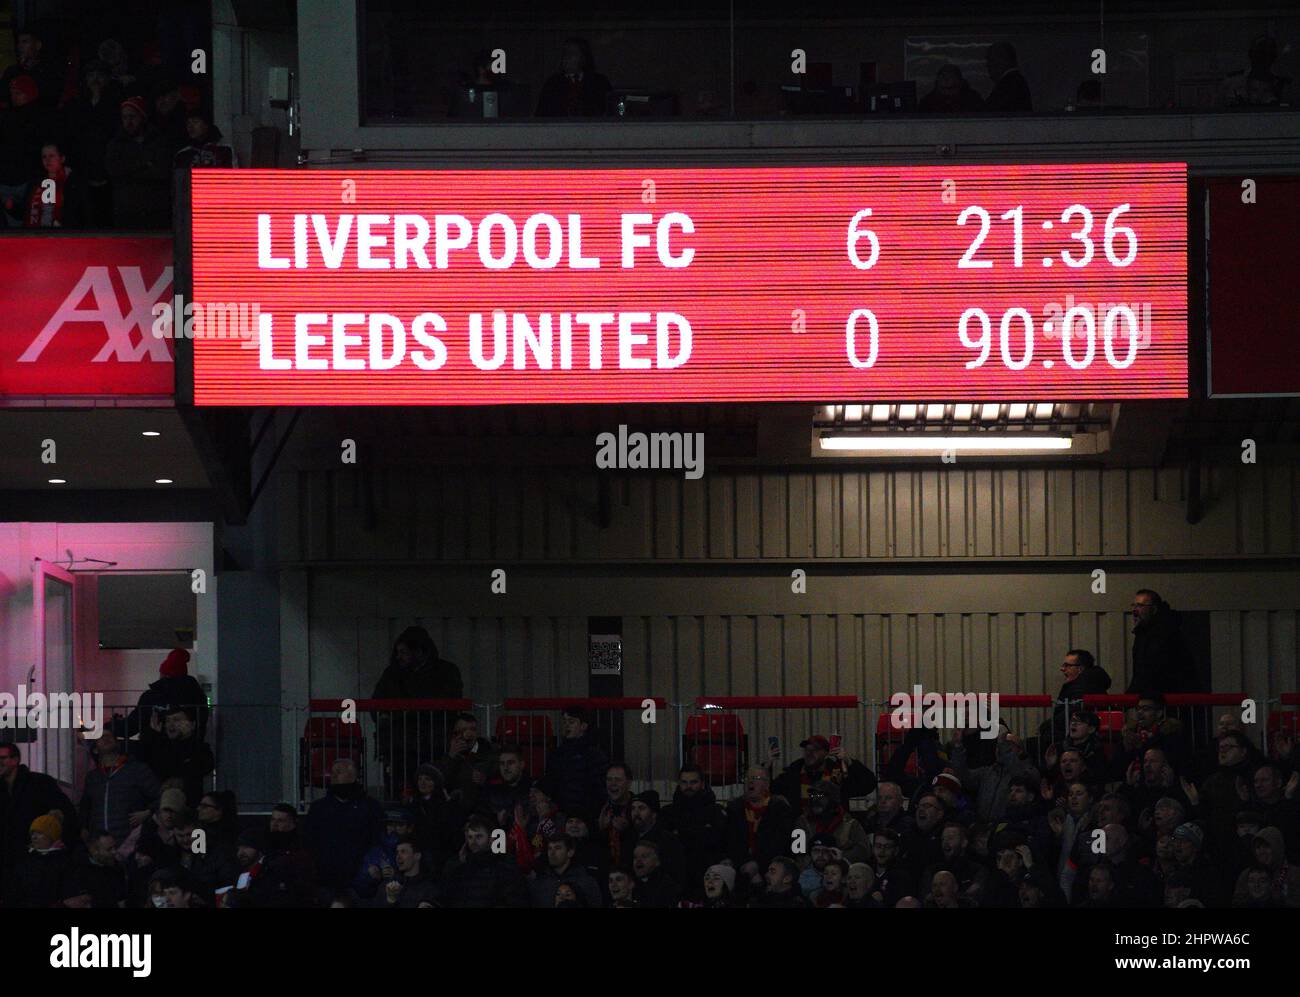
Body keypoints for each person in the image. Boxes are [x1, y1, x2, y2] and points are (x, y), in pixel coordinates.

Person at [371, 626, 464, 799]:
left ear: (420, 651)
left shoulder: (446, 672)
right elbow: (375, 704)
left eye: (404, 652)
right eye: (398, 652)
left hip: (434, 746)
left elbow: (450, 703)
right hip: (399, 748)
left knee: (436, 793)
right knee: (397, 794)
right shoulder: (391, 674)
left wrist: (400, 713)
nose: (399, 657)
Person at [0, 742, 78, 896]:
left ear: (16, 760)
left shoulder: (39, 783)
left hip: (36, 861)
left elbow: (64, 812)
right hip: (8, 861)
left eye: (2, 758)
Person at [303, 757, 384, 894]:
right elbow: (310, 840)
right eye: (332, 772)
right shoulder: (319, 808)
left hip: (360, 878)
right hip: (326, 878)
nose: (333, 775)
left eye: (339, 771)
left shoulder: (371, 807)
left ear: (353, 775)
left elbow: (377, 839)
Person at [725, 765, 796, 898]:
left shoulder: (780, 808)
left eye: (756, 778)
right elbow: (730, 841)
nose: (750, 781)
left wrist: (758, 864)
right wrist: (743, 863)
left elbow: (781, 842)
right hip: (741, 865)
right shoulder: (734, 808)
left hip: (769, 864)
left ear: (767, 784)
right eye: (748, 778)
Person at [104, 95, 174, 229]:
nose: (128, 121)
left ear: (142, 117)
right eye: (125, 117)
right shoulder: (116, 144)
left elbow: (162, 172)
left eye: (132, 116)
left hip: (155, 211)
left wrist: (130, 169)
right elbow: (114, 171)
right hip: (126, 211)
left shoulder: (158, 141)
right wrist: (145, 164)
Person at [78, 730, 160, 843]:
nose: (106, 738)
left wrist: (148, 813)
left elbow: (159, 796)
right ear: (95, 749)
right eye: (101, 737)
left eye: (109, 736)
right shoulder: (92, 778)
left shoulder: (137, 770)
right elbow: (85, 808)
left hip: (132, 840)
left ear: (117, 744)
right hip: (102, 845)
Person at [660, 763, 727, 898]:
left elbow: (720, 841)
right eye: (684, 782)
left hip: (707, 876)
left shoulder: (715, 812)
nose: (688, 787)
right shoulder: (667, 813)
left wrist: (682, 834)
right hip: (676, 877)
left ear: (702, 784)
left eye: (693, 782)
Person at [114, 648, 207, 741]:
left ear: (164, 675)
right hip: (191, 749)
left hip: (155, 750)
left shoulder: (152, 697)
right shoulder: (197, 695)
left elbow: (132, 726)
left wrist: (109, 725)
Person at [130, 704, 214, 806]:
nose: (171, 724)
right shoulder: (158, 744)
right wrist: (152, 735)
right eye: (168, 720)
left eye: (177, 720)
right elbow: (144, 759)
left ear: (192, 725)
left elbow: (204, 766)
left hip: (187, 806)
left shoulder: (200, 748)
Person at [951, 725, 1038, 824]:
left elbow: (1018, 773)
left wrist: (1003, 743)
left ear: (1020, 750)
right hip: (982, 827)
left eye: (1008, 745)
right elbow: (962, 776)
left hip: (1008, 827)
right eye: (998, 745)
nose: (1000, 748)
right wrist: (958, 747)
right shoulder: (987, 772)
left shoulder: (1028, 770)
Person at [773, 733, 876, 815]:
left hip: (831, 826)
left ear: (826, 753)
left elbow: (869, 784)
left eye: (815, 749)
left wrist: (848, 761)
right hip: (802, 828)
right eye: (807, 749)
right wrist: (769, 764)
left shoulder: (836, 773)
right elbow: (772, 789)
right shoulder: (793, 773)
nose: (810, 753)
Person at [438, 817, 528, 908]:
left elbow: (516, 899)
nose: (473, 842)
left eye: (479, 837)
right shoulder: (460, 867)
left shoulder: (504, 865)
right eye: (470, 837)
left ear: (491, 839)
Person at [1126, 590, 1200, 695]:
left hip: (1165, 698)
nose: (1135, 610)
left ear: (1154, 609)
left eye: (1140, 606)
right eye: (1134, 605)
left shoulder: (1165, 633)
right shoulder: (1143, 634)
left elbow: (1152, 670)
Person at [545, 707, 610, 819]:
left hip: (586, 813)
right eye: (564, 722)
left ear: (583, 726)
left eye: (571, 721)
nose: (566, 725)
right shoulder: (557, 754)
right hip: (563, 812)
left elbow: (598, 787)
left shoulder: (595, 755)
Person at [1041, 649, 1112, 744]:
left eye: (1067, 665)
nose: (1062, 669)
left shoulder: (1082, 686)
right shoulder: (1088, 683)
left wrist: (1049, 725)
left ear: (1080, 669)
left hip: (1072, 738)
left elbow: (1071, 712)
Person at [7, 814, 73, 907]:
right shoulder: (25, 858)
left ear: (52, 836)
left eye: (40, 833)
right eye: (33, 833)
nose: (34, 837)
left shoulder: (64, 861)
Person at [536, 37, 611, 117]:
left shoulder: (598, 82)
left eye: (572, 53)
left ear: (583, 57)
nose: (567, 57)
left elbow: (610, 110)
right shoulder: (553, 84)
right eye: (565, 53)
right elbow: (541, 114)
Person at [530, 831, 602, 909]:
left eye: (557, 848)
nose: (552, 853)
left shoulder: (586, 882)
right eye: (550, 848)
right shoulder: (540, 882)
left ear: (570, 852)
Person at [23, 141, 87, 228]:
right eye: (44, 157)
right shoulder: (36, 182)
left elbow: (83, 213)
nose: (47, 160)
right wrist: (11, 207)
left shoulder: (74, 182)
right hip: (35, 234)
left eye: (51, 156)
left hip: (64, 236)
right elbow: (25, 211)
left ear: (62, 158)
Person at [0, 28, 64, 110]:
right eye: (18, 42)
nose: (20, 46)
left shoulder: (48, 71)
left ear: (38, 45)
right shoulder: (12, 71)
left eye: (25, 42)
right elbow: (4, 99)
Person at [370, 836, 437, 908]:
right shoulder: (388, 885)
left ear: (417, 856)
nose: (398, 856)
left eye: (403, 852)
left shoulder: (429, 890)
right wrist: (390, 901)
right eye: (397, 852)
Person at [630, 839, 680, 907]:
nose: (638, 861)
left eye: (644, 856)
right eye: (635, 857)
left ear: (657, 862)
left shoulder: (667, 887)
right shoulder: (629, 884)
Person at [984, 42, 1032, 111]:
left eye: (991, 60)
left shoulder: (1008, 85)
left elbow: (992, 109)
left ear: (1002, 60)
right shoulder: (1016, 82)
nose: (988, 66)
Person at [919, 64, 984, 113]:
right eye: (943, 76)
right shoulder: (928, 103)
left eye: (951, 76)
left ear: (960, 81)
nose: (946, 80)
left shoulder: (973, 100)